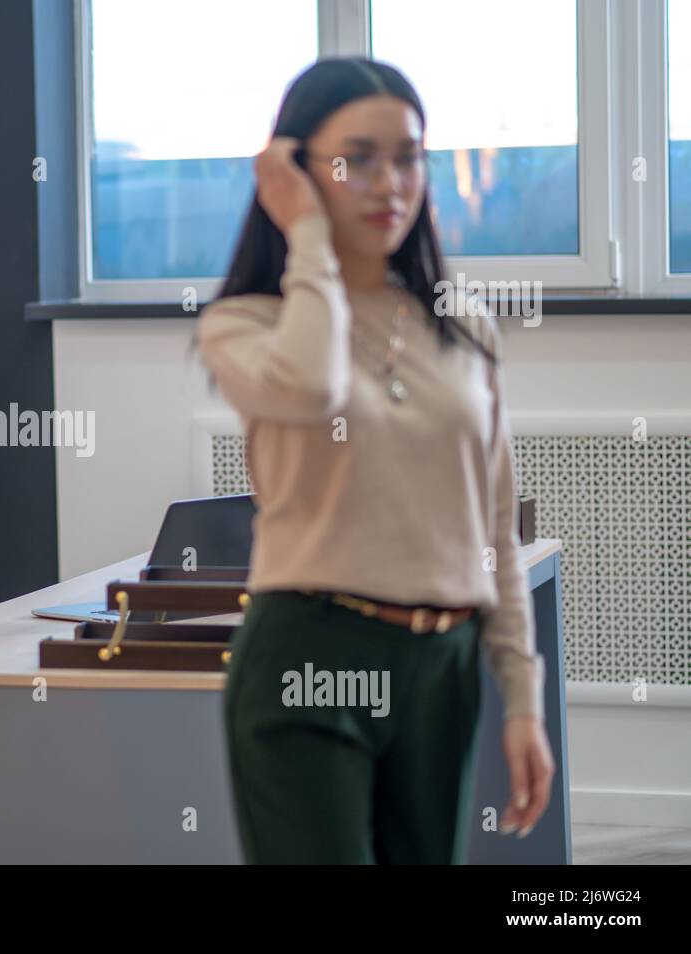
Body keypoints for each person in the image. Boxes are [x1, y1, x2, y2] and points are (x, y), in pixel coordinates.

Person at [197, 57, 554, 864]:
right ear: (291, 168)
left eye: (408, 156)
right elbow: (310, 387)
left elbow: (493, 525)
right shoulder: (246, 325)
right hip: (310, 655)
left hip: (443, 665)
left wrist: (524, 700)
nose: (390, 182)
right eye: (355, 159)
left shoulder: (464, 327)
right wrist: (310, 238)